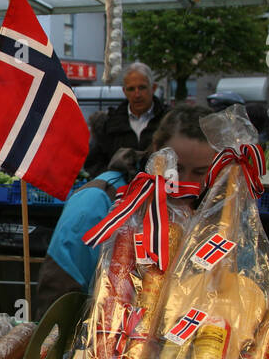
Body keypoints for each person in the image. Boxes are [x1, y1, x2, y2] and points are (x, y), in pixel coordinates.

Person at [36, 105, 216, 319]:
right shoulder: (98, 200)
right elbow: (58, 297)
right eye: (176, 168)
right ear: (157, 149)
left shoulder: (208, 210)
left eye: (200, 172)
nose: (185, 182)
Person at [83, 62, 169, 176]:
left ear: (153, 88)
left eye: (142, 87)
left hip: (160, 191)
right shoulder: (108, 124)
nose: (137, 94)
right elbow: (94, 164)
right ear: (124, 91)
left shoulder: (169, 122)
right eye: (131, 89)